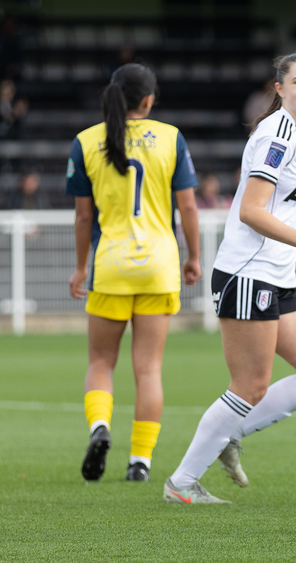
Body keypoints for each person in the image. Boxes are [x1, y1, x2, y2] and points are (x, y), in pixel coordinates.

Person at [163, 50, 296, 504]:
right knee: (250, 386)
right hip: (247, 275)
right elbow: (253, 211)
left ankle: (229, 434)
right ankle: (181, 485)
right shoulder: (276, 134)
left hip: (276, 277)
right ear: (279, 89)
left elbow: (283, 206)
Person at [66, 63, 202, 483]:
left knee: (101, 361)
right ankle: (140, 462)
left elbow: (84, 217)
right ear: (148, 99)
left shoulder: (87, 141)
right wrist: (194, 256)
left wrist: (80, 267)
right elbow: (189, 206)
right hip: (158, 267)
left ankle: (99, 427)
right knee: (149, 370)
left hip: (111, 265)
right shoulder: (170, 137)